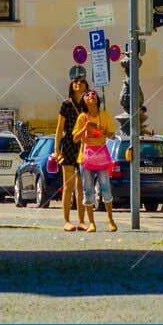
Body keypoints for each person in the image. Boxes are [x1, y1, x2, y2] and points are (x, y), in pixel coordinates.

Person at [74, 89, 116, 232]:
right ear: (84, 101)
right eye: (87, 95)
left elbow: (112, 136)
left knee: (106, 187)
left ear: (97, 99)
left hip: (101, 157)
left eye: (93, 94)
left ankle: (110, 219)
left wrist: (103, 132)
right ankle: (91, 223)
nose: (91, 95)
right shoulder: (82, 117)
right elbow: (75, 138)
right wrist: (85, 128)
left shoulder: (104, 115)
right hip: (85, 158)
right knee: (88, 190)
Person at [54, 76, 89, 231]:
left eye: (81, 82)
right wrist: (56, 150)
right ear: (71, 86)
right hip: (69, 144)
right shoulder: (66, 105)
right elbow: (59, 128)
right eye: (75, 82)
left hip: (84, 145)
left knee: (81, 186)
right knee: (68, 186)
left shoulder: (88, 104)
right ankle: (66, 221)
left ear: (86, 86)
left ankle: (81, 221)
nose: (78, 84)